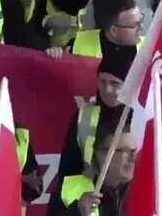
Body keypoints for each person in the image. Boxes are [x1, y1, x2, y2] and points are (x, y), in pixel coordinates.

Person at [57, 50, 135, 180]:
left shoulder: (144, 118)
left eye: (115, 83)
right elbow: (67, 170)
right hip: (91, 195)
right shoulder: (84, 116)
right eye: (102, 82)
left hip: (135, 195)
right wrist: (78, 199)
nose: (107, 90)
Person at [53, 127, 138, 216]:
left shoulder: (148, 193)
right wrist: (77, 213)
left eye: (134, 151)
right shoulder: (67, 191)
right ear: (99, 154)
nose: (132, 158)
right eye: (121, 150)